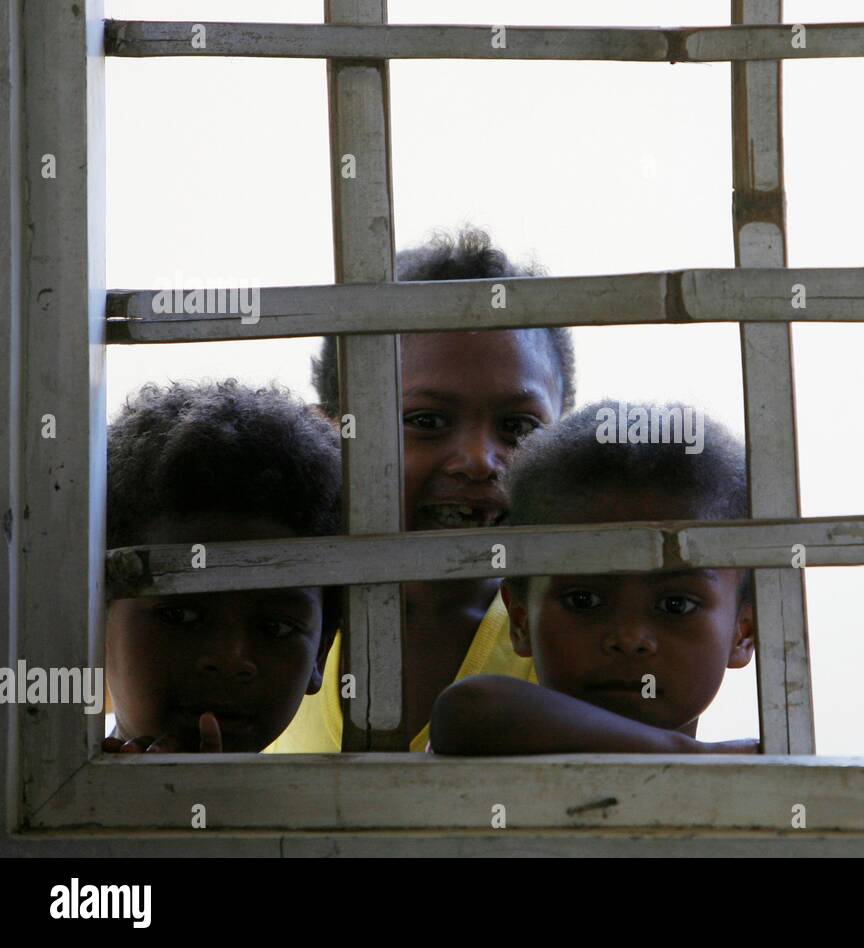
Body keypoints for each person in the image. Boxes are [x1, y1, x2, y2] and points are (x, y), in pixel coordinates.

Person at [266, 226, 575, 752]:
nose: (479, 461)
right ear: (332, 433)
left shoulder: (579, 643)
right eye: (426, 420)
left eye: (518, 427)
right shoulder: (277, 627)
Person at [431, 401, 757, 754]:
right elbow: (469, 709)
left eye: (676, 605)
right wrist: (697, 757)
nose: (629, 638)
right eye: (584, 600)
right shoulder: (490, 737)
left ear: (743, 633)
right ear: (521, 620)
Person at [104, 381, 341, 753]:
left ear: (320, 655)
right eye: (179, 615)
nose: (230, 658)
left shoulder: (351, 792)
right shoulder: (27, 777)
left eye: (275, 628)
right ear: (94, 626)